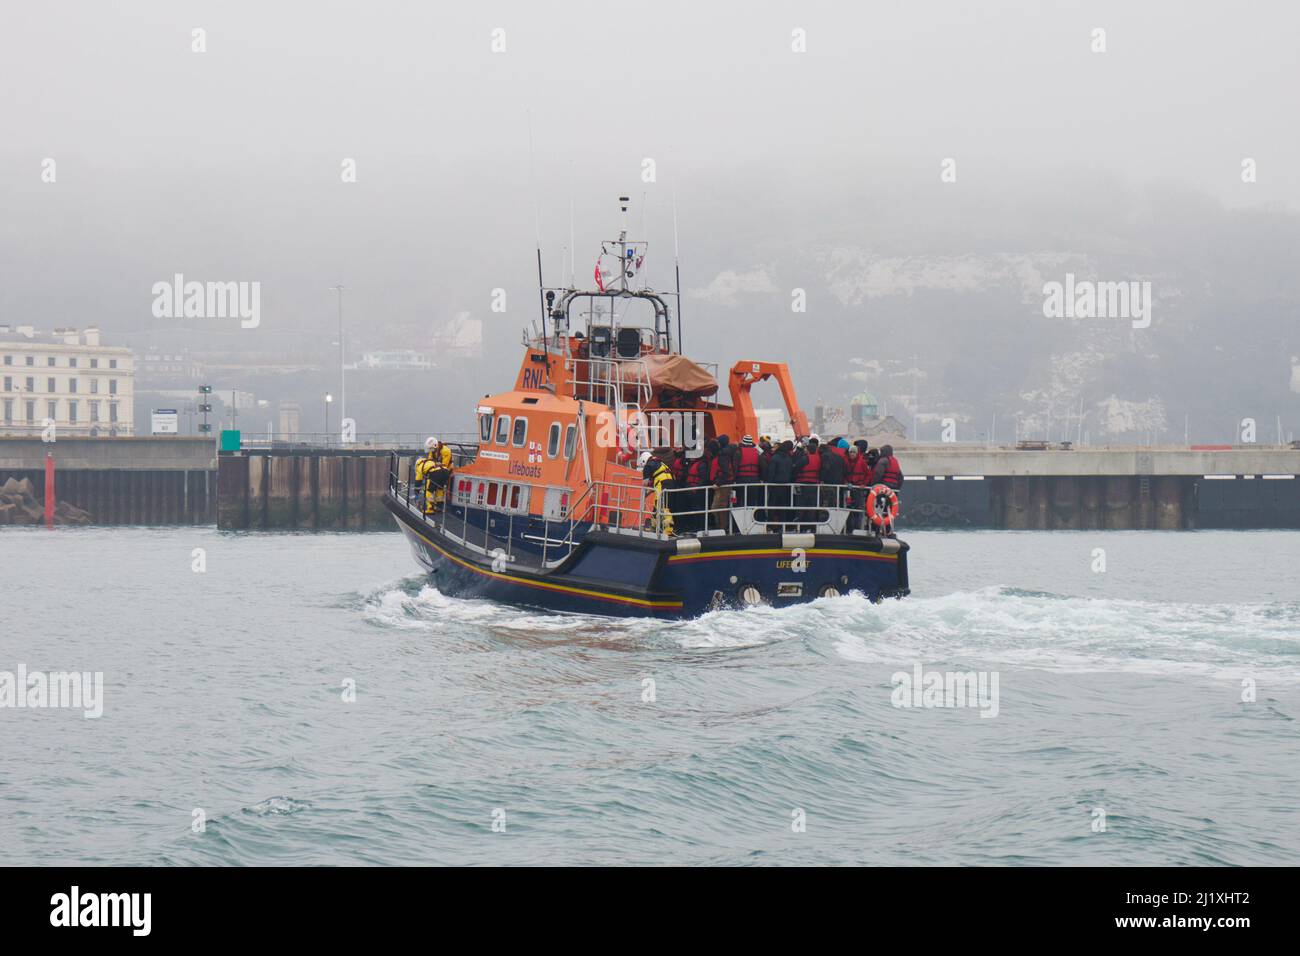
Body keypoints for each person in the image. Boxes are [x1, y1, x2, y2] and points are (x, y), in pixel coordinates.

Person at [640, 449, 675, 536]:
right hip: (670, 483)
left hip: (662, 484)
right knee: (657, 505)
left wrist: (643, 494)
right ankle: (654, 527)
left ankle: (668, 530)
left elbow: (645, 483)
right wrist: (647, 493)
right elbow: (654, 484)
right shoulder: (658, 463)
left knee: (663, 506)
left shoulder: (648, 466)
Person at [764, 439, 798, 529]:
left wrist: (769, 484)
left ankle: (772, 526)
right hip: (786, 486)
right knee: (784, 507)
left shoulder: (775, 458)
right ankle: (783, 525)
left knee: (772, 507)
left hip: (775, 486)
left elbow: (771, 473)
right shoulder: (789, 459)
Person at [415, 436, 453, 514]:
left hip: (445, 469)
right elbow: (431, 459)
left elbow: (418, 479)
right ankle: (438, 506)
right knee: (439, 489)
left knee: (429, 490)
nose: (430, 451)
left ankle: (430, 508)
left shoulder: (446, 451)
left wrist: (416, 490)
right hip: (442, 471)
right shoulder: (433, 450)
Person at [794, 435, 822, 529]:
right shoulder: (818, 459)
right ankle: (811, 526)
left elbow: (796, 467)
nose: (805, 449)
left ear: (809, 450)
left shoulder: (805, 458)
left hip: (805, 484)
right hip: (814, 485)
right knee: (812, 506)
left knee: (802, 506)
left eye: (806, 448)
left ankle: (801, 526)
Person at [733, 434, 763, 508]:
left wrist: (733, 479)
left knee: (740, 502)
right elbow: (762, 466)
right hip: (754, 481)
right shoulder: (757, 452)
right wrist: (761, 478)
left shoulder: (738, 451)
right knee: (752, 502)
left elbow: (735, 466)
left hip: (741, 480)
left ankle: (740, 519)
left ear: (743, 442)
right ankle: (750, 518)